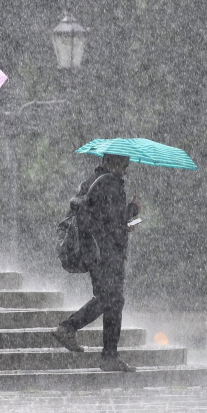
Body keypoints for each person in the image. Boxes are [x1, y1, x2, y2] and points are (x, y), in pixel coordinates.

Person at [51, 152, 142, 371]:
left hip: (95, 252)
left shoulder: (91, 181)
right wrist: (134, 210)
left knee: (111, 300)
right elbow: (113, 222)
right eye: (124, 164)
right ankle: (71, 329)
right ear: (113, 162)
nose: (126, 169)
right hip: (107, 253)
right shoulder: (110, 184)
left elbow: (99, 217)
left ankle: (107, 354)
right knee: (110, 299)